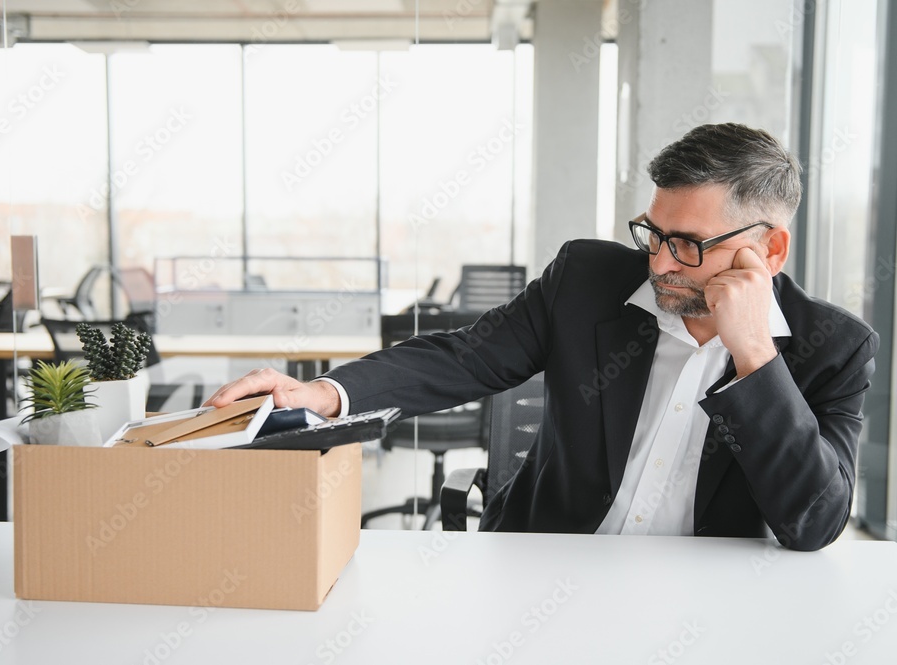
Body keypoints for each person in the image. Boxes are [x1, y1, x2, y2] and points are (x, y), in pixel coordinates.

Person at [205, 123, 878, 552]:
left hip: (701, 610)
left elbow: (814, 521)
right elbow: (463, 355)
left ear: (771, 249)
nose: (660, 262)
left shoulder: (832, 346)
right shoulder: (586, 279)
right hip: (542, 580)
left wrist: (756, 355)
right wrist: (324, 392)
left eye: (687, 244)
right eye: (653, 233)